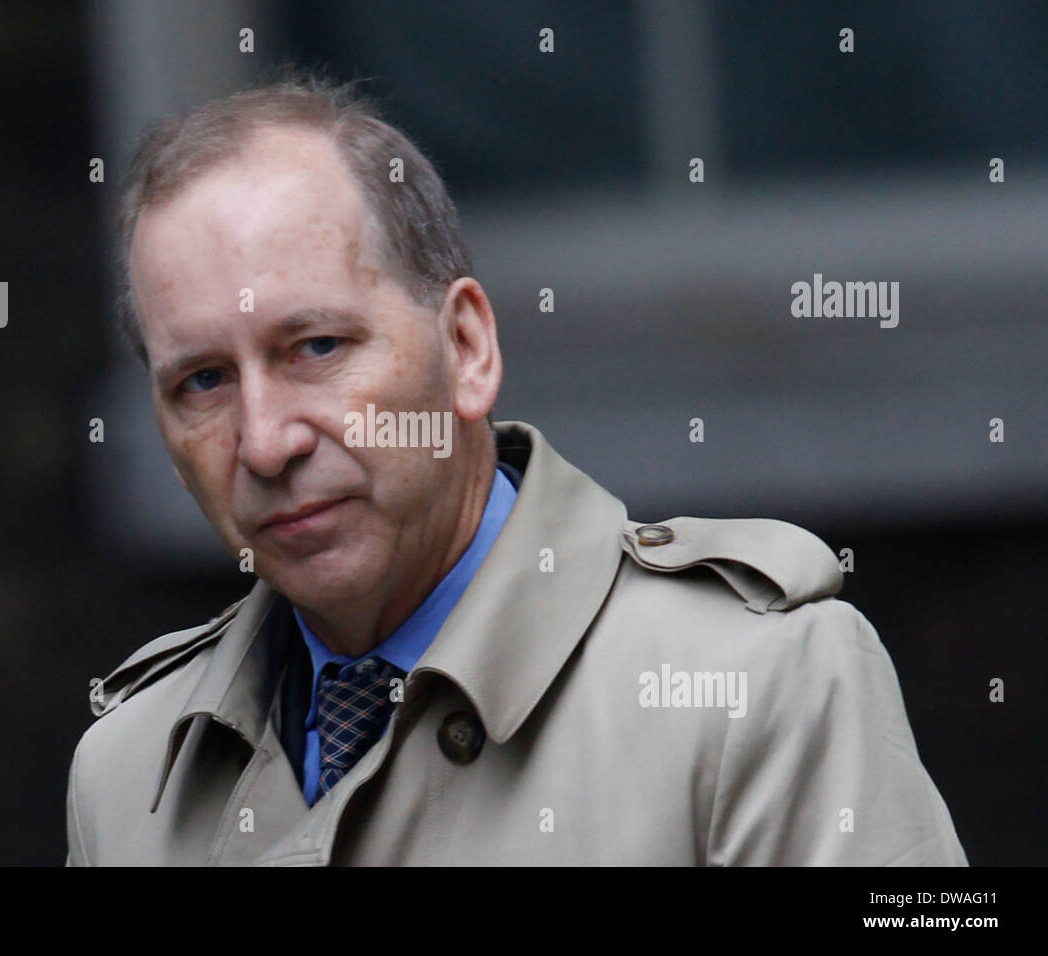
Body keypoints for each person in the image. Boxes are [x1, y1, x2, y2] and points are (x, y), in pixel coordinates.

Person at [65, 71, 967, 866]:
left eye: (316, 347)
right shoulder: (130, 776)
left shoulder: (758, 688)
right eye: (204, 381)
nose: (265, 443)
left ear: (465, 348)